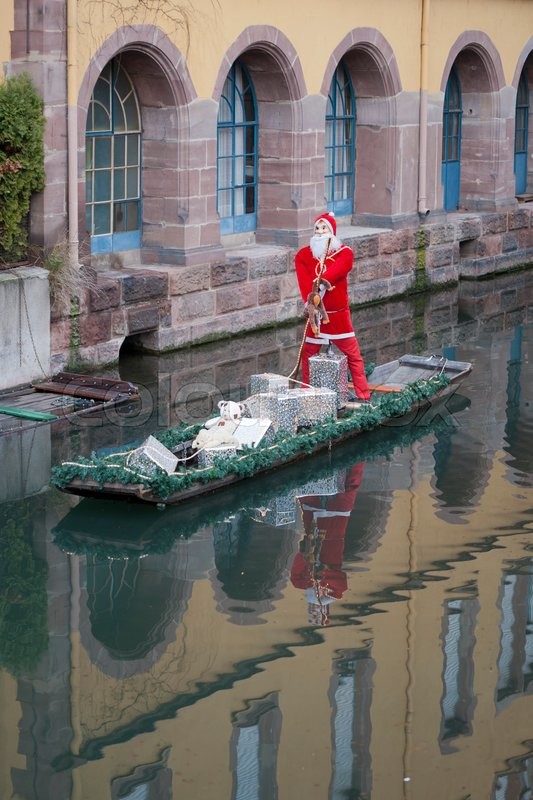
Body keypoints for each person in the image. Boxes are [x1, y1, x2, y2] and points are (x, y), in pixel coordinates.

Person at [294, 212, 371, 401]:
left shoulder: (344, 253)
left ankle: (363, 395)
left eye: (324, 228)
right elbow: (305, 281)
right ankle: (307, 394)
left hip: (338, 316)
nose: (320, 232)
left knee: (353, 356)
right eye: (317, 229)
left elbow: (339, 269)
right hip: (316, 319)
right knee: (307, 355)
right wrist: (310, 299)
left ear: (332, 231)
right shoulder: (304, 256)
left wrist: (321, 282)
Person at [290, 461, 366, 626]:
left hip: (313, 521)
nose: (323, 593)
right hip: (336, 522)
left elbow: (299, 559)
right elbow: (340, 581)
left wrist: (311, 569)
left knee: (307, 484)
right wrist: (321, 580)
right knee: (351, 484)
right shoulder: (337, 589)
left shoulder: (301, 581)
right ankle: (359, 456)